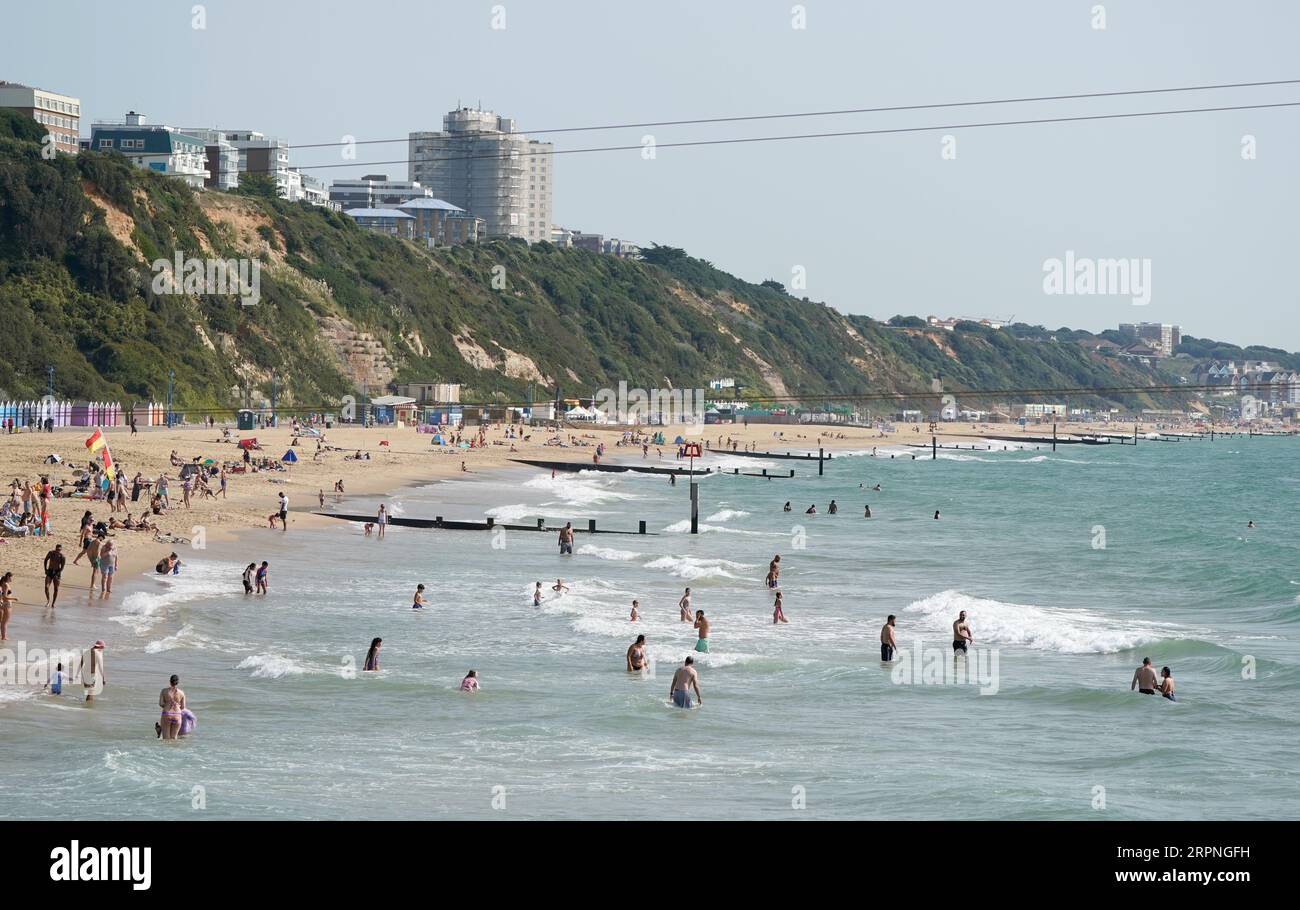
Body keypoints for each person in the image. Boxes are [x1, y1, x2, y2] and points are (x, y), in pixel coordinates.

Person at [159, 675, 186, 741]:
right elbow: (183, 707)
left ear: (170, 681)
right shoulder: (181, 693)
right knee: (174, 738)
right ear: (177, 682)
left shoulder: (164, 691)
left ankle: (166, 751)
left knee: (166, 739)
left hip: (167, 714)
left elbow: (161, 704)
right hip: (177, 715)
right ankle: (173, 751)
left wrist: (167, 705)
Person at [44, 543, 65, 608]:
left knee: (56, 589)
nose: (58, 551)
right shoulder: (51, 553)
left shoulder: (62, 556)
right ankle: (48, 601)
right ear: (55, 548)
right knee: (46, 587)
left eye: (59, 550)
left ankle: (53, 603)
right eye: (57, 549)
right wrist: (45, 569)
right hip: (50, 571)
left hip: (57, 572)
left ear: (61, 550)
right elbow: (45, 560)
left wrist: (58, 573)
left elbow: (62, 567)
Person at [0, 571, 15, 641]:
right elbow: (5, 597)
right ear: (8, 577)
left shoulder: (5, 584)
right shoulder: (6, 585)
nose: (12, 579)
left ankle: (3, 636)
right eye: (11, 577)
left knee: (3, 621)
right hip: (7, 604)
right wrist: (14, 598)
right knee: (5, 622)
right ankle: (4, 637)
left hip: (6, 604)